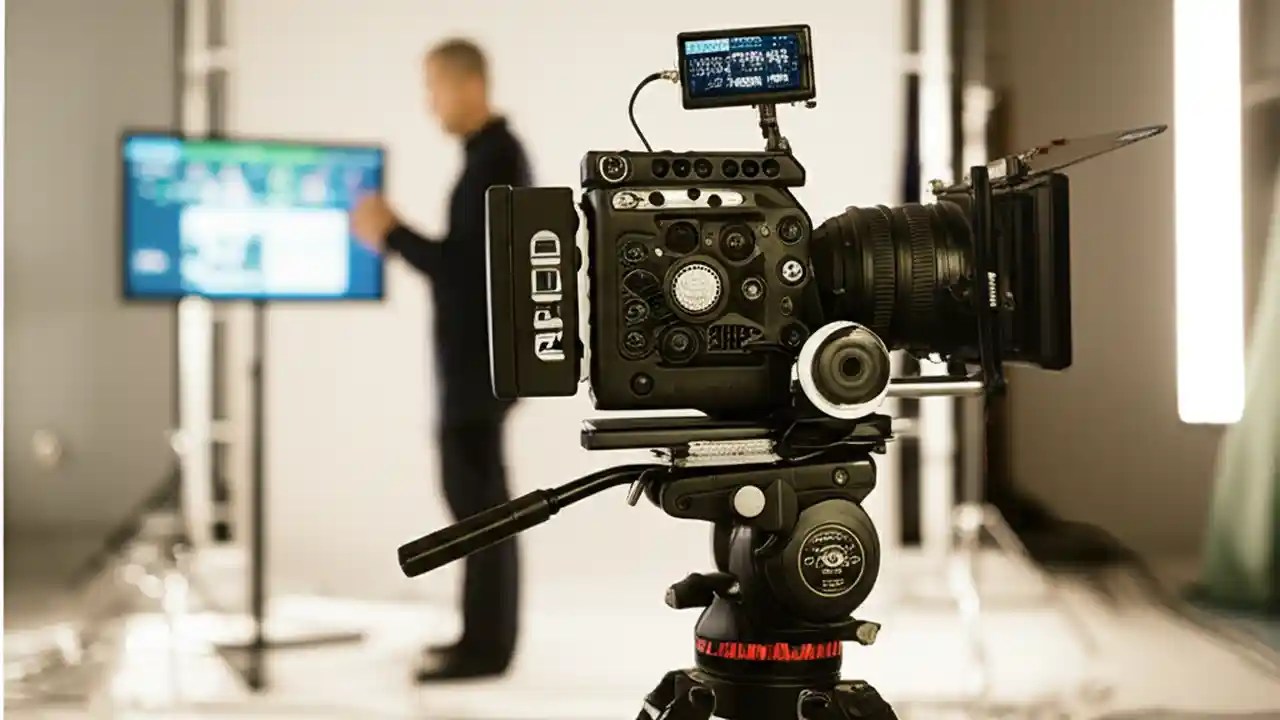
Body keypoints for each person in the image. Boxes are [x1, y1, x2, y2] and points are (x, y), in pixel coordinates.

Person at [350, 38, 529, 681]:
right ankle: (480, 642)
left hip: (477, 376)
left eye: (434, 88)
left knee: (482, 513)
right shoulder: (488, 157)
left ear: (467, 85)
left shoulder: (495, 160)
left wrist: (389, 232)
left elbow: (461, 273)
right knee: (481, 509)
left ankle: (484, 651)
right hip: (476, 372)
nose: (429, 104)